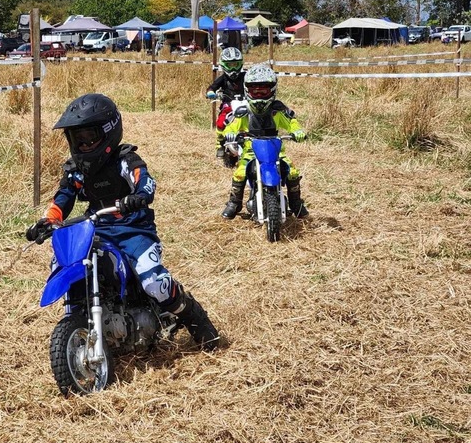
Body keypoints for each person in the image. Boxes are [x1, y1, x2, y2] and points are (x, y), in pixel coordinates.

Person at [26, 93, 220, 351]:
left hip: (133, 230)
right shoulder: (76, 169)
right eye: (76, 139)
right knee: (63, 263)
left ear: (107, 133)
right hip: (96, 229)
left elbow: (145, 180)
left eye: (88, 138)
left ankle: (193, 316)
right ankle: (82, 322)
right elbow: (64, 196)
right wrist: (48, 220)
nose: (82, 146)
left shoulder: (124, 160)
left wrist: (139, 196)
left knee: (153, 281)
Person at [219, 63, 309, 220]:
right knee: (240, 173)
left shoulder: (278, 110)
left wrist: (297, 131)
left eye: (263, 89)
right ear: (247, 89)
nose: (259, 93)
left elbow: (291, 122)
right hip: (250, 151)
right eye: (255, 89)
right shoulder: (243, 112)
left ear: (272, 89)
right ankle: (234, 203)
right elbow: (231, 126)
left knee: (292, 172)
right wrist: (230, 135)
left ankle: (296, 203)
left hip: (276, 150)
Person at [206, 47, 246, 161]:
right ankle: (220, 143)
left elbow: (253, 83)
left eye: (236, 64)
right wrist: (211, 92)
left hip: (245, 103)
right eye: (230, 65)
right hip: (228, 104)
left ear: (241, 64)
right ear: (223, 65)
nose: (233, 68)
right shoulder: (223, 78)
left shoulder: (245, 76)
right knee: (221, 121)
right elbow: (212, 87)